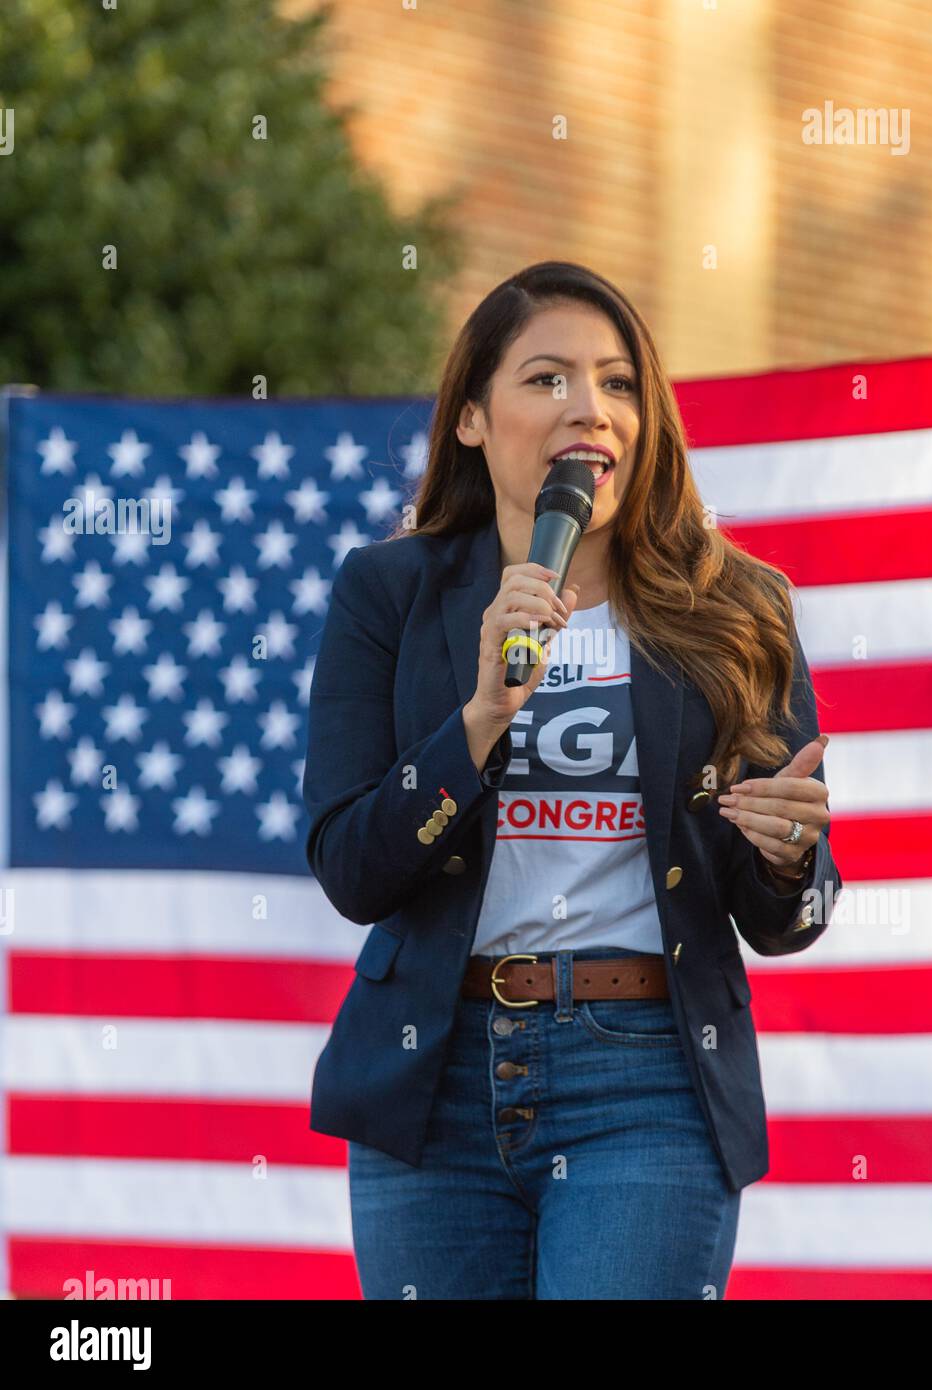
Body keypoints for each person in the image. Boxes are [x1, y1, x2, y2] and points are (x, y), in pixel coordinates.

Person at [302, 260, 843, 1299]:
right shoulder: (388, 592)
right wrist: (477, 721)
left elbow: (790, 914)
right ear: (471, 418)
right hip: (432, 1077)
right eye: (546, 379)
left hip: (644, 1078)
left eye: (619, 382)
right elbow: (351, 868)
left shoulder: (737, 607)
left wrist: (789, 860)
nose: (588, 409)